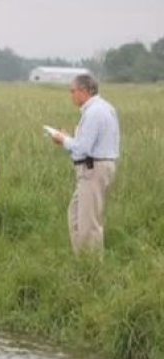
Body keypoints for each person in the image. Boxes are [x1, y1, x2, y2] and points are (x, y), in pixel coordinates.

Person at [49, 74, 120, 254]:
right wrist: (70, 140)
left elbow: (84, 148)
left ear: (84, 91)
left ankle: (91, 264)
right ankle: (82, 258)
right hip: (99, 166)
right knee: (75, 215)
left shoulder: (94, 112)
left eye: (72, 91)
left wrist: (63, 140)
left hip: (93, 169)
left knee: (89, 222)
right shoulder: (106, 107)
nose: (71, 95)